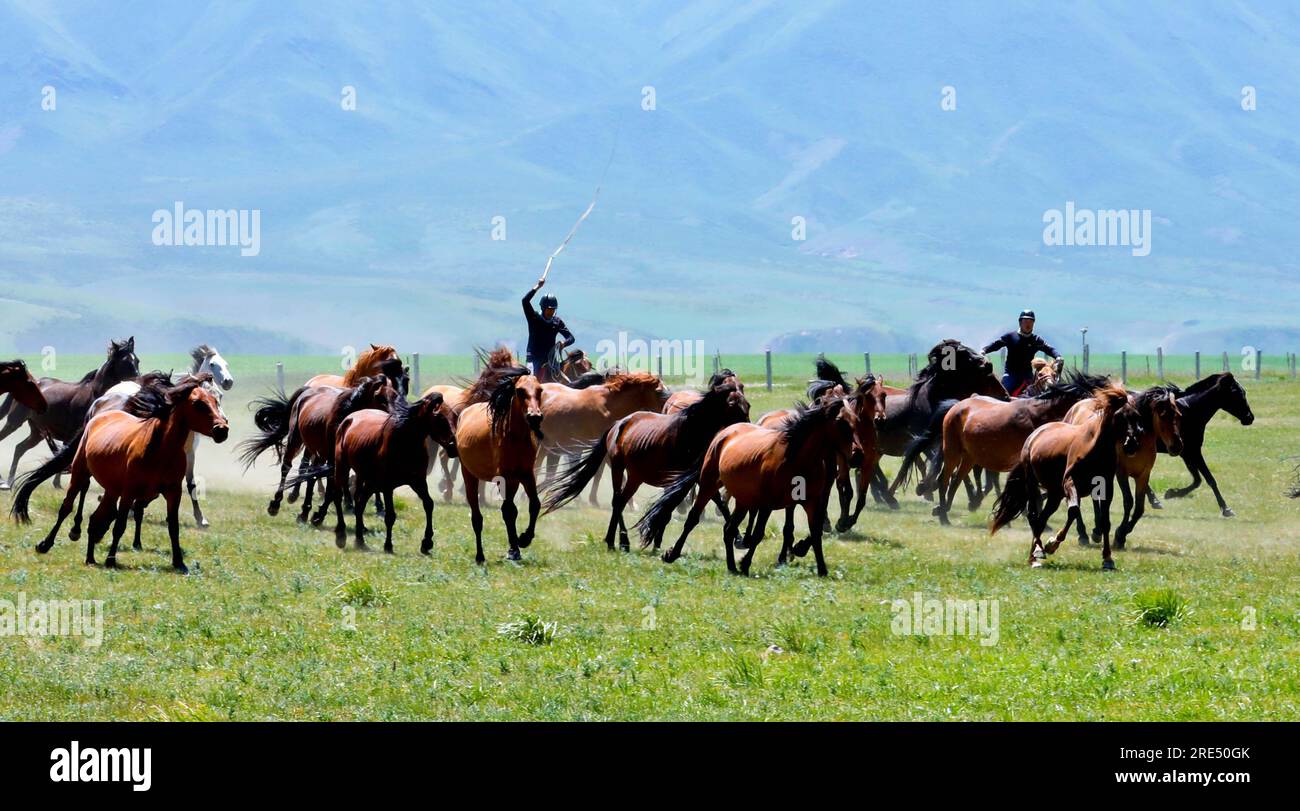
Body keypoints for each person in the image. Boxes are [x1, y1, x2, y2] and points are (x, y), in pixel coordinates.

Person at [982, 309, 1062, 397]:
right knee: (1003, 395)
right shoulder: (1010, 336)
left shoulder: (1036, 340)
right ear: (1020, 322)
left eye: (1031, 321)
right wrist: (984, 350)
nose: (1028, 324)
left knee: (1040, 395)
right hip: (1011, 374)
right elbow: (996, 344)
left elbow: (1049, 349)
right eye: (1025, 321)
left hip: (1027, 375)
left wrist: (1058, 357)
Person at [522, 277, 575, 383]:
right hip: (533, 359)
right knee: (530, 383)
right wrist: (538, 286)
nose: (551, 312)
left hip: (550, 360)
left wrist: (563, 343)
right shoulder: (534, 318)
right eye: (548, 310)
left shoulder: (557, 322)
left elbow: (571, 338)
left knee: (565, 381)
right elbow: (525, 301)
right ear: (543, 308)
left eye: (553, 310)